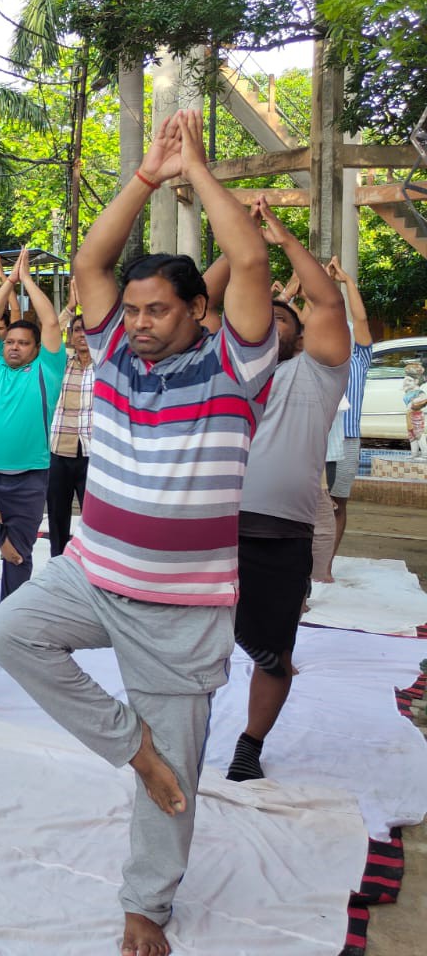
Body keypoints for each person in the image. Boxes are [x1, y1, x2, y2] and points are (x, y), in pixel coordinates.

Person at [0, 110, 276, 956]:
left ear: (198, 309)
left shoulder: (237, 368)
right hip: (91, 576)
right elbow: (88, 262)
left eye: (158, 310)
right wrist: (148, 174)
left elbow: (248, 259)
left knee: (175, 783)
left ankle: (146, 905)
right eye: (134, 309)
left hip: (182, 609)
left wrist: (202, 173)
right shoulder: (112, 354)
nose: (139, 321)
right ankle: (129, 746)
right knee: (6, 633)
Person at [205, 198, 350, 782]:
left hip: (280, 535)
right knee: (192, 643)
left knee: (274, 656)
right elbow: (207, 300)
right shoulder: (222, 367)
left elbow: (329, 302)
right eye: (261, 309)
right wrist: (239, 244)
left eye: (281, 313)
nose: (269, 315)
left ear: (293, 332)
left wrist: (283, 239)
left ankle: (250, 743)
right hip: (212, 528)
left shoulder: (316, 372)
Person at [0, 247, 66, 596]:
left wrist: (27, 280)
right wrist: (8, 282)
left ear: (37, 349)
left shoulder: (47, 369)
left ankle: (9, 617)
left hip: (28, 479)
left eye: (23, 343)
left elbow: (51, 322)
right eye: (10, 341)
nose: (13, 347)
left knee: (18, 558)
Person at [322, 259, 373, 563]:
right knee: (313, 503)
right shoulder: (321, 360)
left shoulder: (359, 360)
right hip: (318, 438)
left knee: (337, 503)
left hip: (348, 439)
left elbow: (362, 319)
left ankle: (326, 563)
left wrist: (347, 282)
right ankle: (310, 562)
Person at [47, 288, 96, 557]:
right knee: (57, 515)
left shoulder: (104, 365)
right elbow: (49, 335)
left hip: (92, 453)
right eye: (78, 330)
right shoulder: (61, 363)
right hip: (59, 450)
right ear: (71, 335)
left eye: (88, 330)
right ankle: (57, 562)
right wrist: (69, 308)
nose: (82, 335)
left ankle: (91, 566)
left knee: (92, 516)